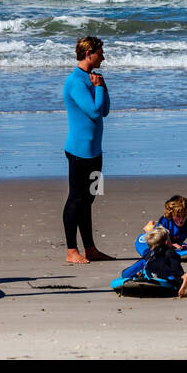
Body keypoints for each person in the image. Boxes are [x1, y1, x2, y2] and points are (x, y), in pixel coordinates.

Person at [62, 35, 112, 264]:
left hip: (95, 152)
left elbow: (105, 111)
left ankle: (90, 248)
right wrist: (98, 88)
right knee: (76, 199)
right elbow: (93, 112)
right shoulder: (76, 81)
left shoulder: (95, 78)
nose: (103, 57)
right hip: (78, 152)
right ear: (88, 54)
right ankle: (71, 250)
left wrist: (102, 87)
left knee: (90, 199)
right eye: (100, 53)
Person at [121, 227, 187, 298]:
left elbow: (126, 274)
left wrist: (134, 274)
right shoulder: (171, 253)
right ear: (167, 242)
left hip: (157, 276)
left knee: (160, 275)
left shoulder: (147, 256)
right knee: (180, 281)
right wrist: (181, 275)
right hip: (170, 277)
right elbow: (177, 269)